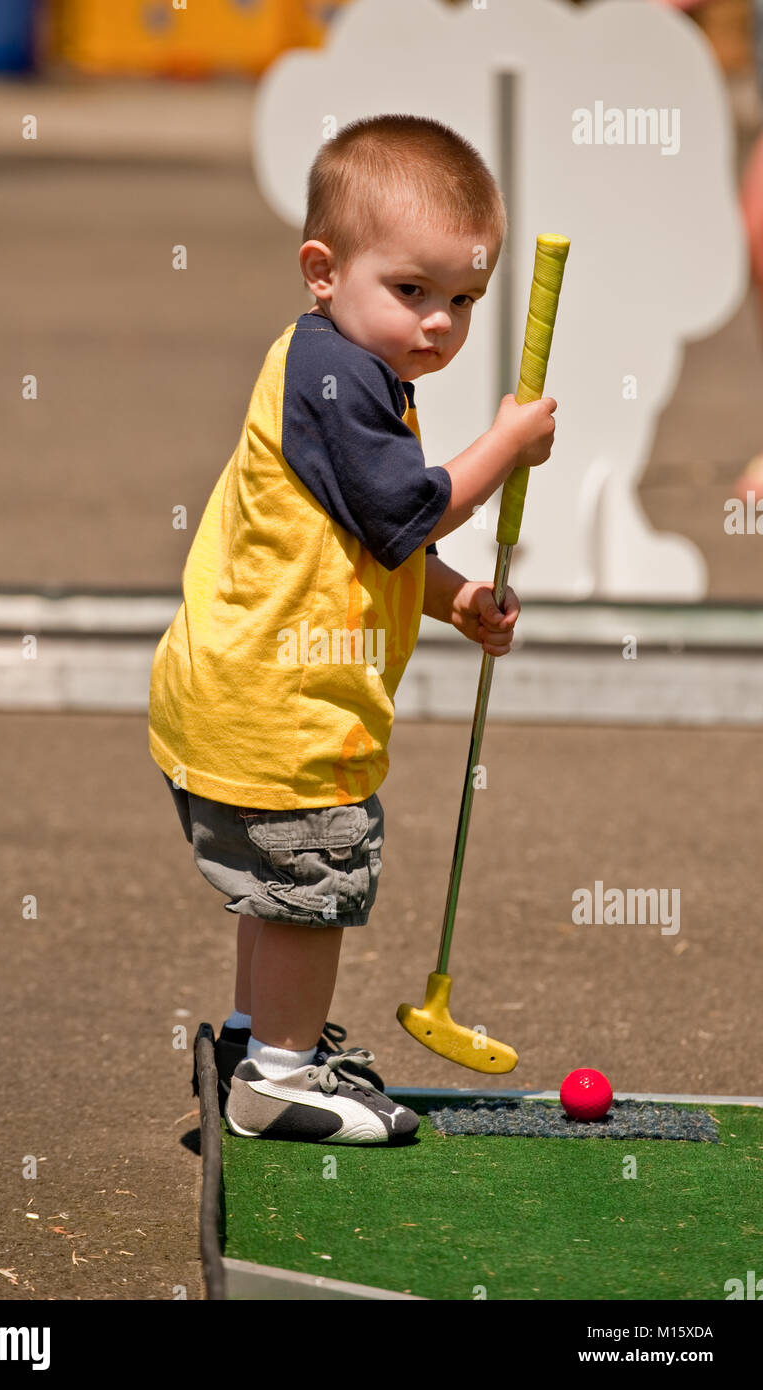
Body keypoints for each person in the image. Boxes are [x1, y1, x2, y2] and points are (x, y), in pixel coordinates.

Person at [148, 114, 557, 1145]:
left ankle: (257, 1037)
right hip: (284, 709)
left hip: (238, 690)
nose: (439, 322)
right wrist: (501, 447)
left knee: (276, 884)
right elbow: (404, 510)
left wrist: (455, 594)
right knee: (311, 883)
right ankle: (279, 1077)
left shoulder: (345, 371)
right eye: (411, 291)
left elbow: (375, 543)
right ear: (322, 271)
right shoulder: (340, 380)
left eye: (463, 298)